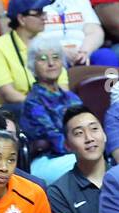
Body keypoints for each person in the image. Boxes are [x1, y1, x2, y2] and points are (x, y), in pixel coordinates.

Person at [19, 34, 84, 182]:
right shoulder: (33, 102)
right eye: (43, 59)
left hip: (75, 154)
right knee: (87, 165)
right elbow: (54, 138)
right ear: (32, 66)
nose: (51, 63)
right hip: (45, 160)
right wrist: (85, 148)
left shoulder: (73, 99)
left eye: (56, 57)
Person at [47, 106, 111, 213]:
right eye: (79, 133)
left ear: (104, 135)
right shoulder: (59, 192)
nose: (89, 138)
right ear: (67, 145)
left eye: (94, 129)